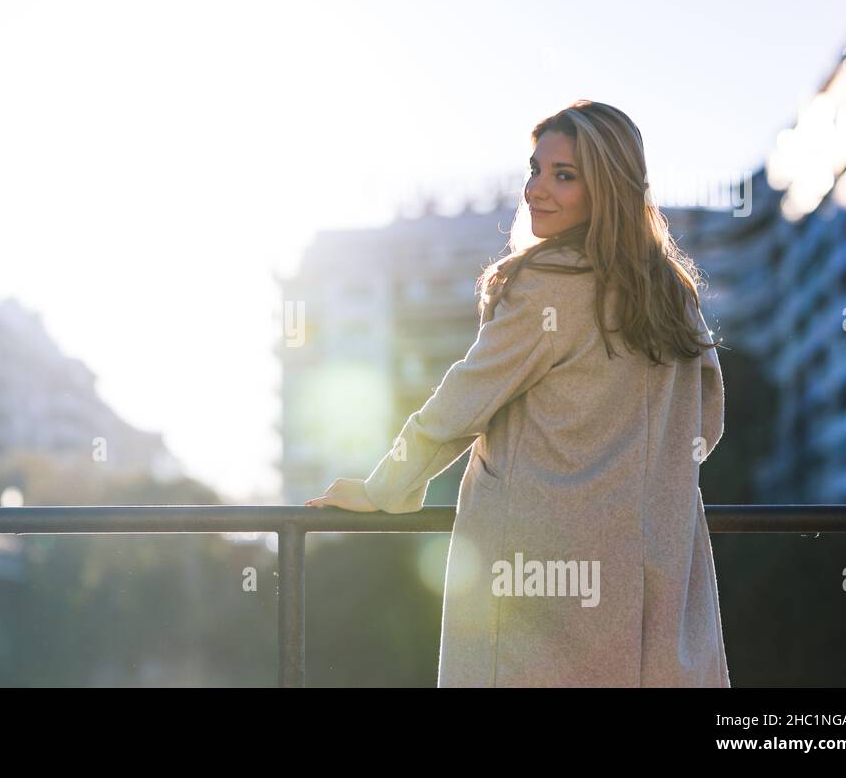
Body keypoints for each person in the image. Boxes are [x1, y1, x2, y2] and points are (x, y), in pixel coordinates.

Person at [305, 100, 730, 687]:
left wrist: (389, 486)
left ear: (608, 187)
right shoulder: (674, 297)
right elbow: (707, 426)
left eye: (564, 175)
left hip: (540, 588)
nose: (537, 190)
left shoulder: (546, 285)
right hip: (655, 582)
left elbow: (461, 402)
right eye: (535, 170)